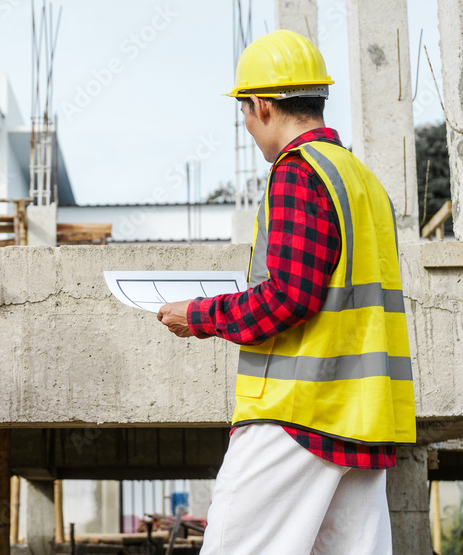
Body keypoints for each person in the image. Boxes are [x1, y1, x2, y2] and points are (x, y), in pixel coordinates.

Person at [157, 30, 415, 554]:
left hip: (298, 415)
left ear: (262, 105)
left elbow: (289, 296)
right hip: (363, 417)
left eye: (246, 114)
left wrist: (199, 315)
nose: (249, 126)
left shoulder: (298, 172)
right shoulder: (361, 179)